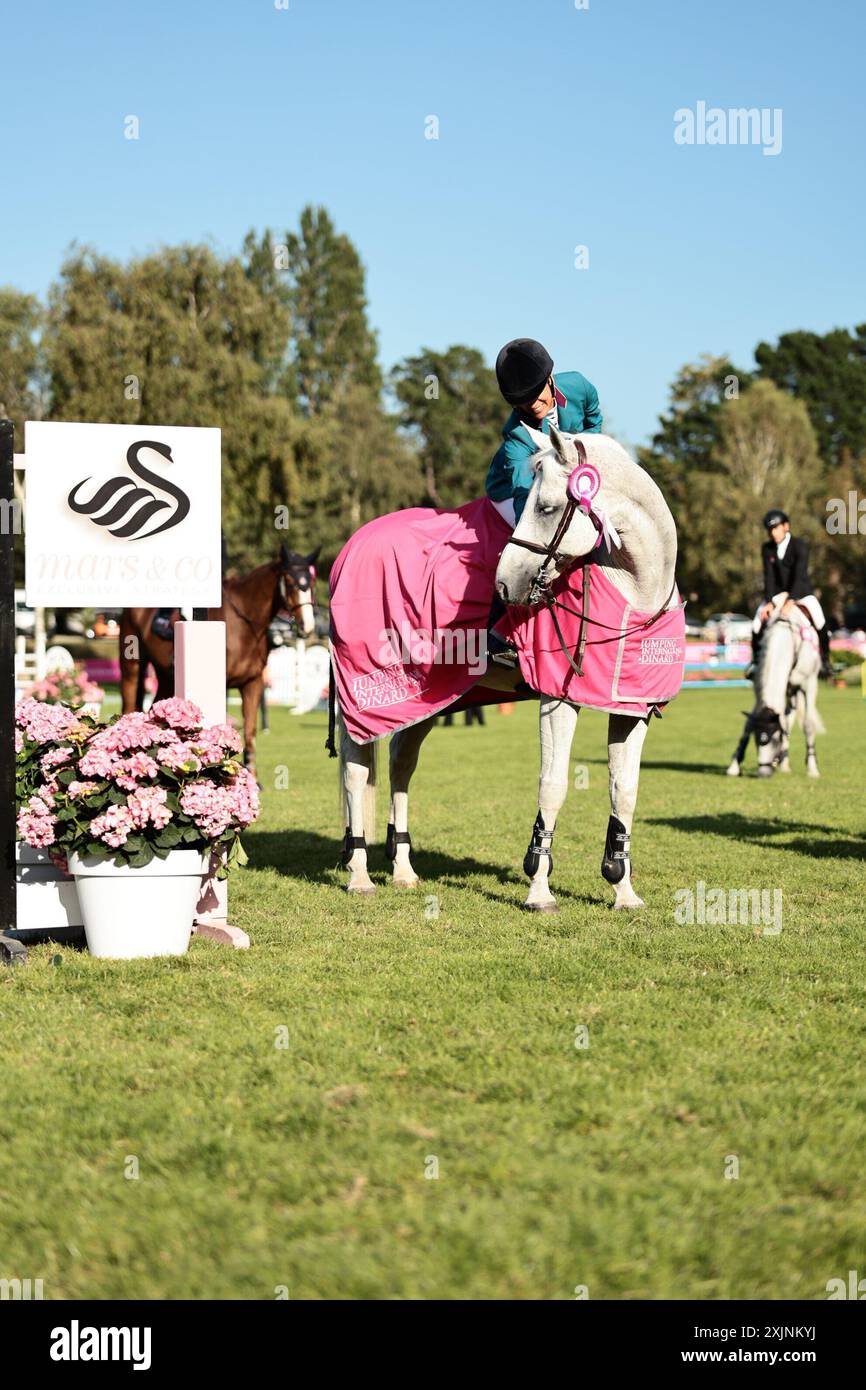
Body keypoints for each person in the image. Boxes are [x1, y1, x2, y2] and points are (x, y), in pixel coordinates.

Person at [485, 338, 603, 667]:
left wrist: (589, 454)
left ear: (550, 380)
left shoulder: (578, 385)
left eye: (537, 395)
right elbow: (527, 496)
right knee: (529, 542)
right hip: (510, 492)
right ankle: (499, 633)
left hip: (567, 480)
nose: (533, 406)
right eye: (522, 403)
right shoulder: (517, 436)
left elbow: (594, 415)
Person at [749, 508, 832, 678]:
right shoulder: (767, 549)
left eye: (776, 528)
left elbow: (799, 574)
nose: (773, 533)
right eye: (770, 530)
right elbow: (769, 578)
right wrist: (770, 601)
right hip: (777, 596)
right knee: (757, 623)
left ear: (785, 526)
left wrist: (791, 600)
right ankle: (756, 663)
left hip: (801, 593)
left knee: (820, 620)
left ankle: (825, 661)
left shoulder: (799, 546)